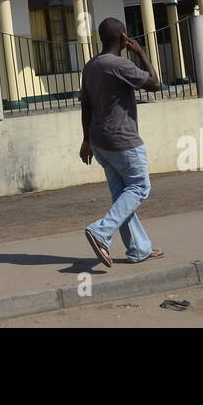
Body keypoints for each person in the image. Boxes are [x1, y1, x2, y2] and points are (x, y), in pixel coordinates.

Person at [79, 17, 164, 266]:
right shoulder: (119, 65)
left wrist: (86, 140)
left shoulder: (91, 65)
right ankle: (100, 231)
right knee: (139, 188)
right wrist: (140, 52)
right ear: (124, 36)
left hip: (99, 141)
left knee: (122, 197)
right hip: (123, 141)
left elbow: (86, 105)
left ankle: (139, 249)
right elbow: (155, 84)